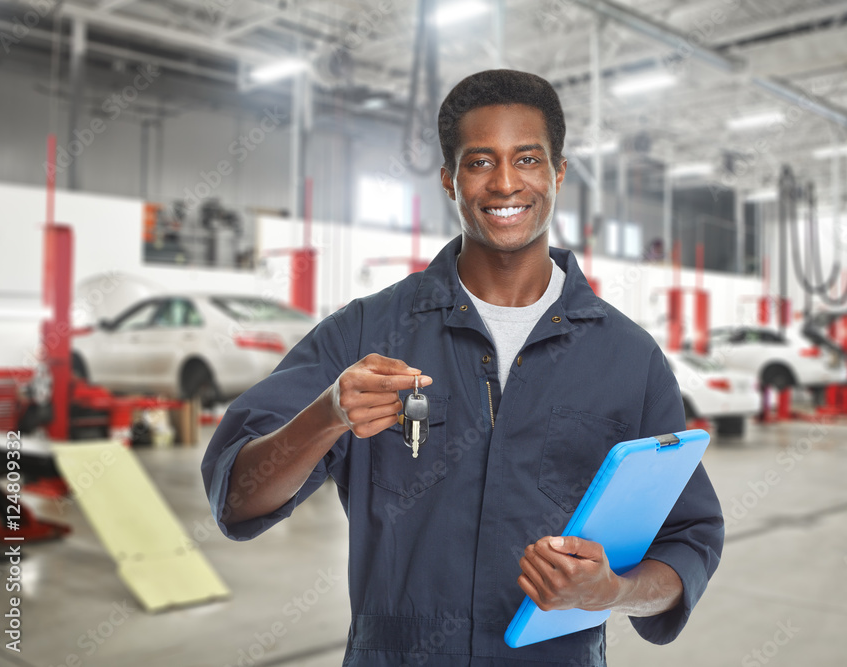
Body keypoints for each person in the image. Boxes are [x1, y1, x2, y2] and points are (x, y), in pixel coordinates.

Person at [201, 69, 723, 666]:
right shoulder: (366, 333)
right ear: (450, 179)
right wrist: (327, 415)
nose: (505, 183)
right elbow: (236, 497)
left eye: (527, 159)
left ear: (558, 173)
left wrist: (614, 591)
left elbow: (690, 539)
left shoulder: (628, 358)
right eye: (480, 162)